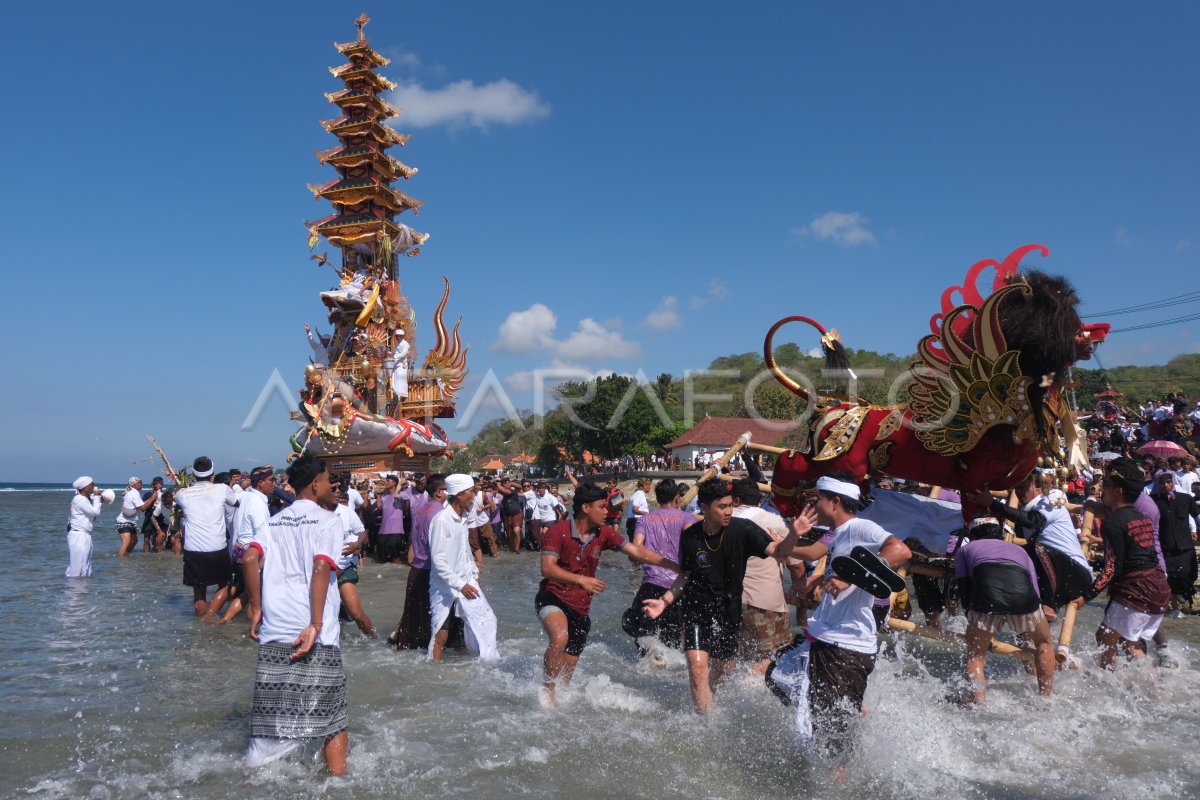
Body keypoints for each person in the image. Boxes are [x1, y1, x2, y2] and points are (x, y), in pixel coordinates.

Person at [765, 474, 910, 753]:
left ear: (835, 501)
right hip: (827, 637)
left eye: (818, 498)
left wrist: (850, 578)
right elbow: (784, 553)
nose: (814, 505)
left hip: (846, 647)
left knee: (833, 742)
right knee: (778, 676)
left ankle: (848, 724)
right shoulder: (839, 534)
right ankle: (850, 711)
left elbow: (900, 551)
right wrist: (796, 533)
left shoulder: (860, 527)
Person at [644, 479, 816, 714]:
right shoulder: (691, 536)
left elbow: (778, 552)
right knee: (697, 669)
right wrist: (664, 602)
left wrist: (793, 534)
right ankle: (704, 726)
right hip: (697, 608)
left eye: (729, 505)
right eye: (721, 507)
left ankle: (711, 708)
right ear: (704, 507)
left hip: (729, 611)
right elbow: (685, 576)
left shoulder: (743, 529)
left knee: (721, 671)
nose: (728, 511)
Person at [242, 453, 348, 774]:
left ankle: (248, 785)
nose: (332, 485)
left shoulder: (273, 523)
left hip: (275, 633)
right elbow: (320, 565)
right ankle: (339, 785)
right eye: (328, 478)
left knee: (268, 730)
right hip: (314, 635)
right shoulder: (329, 520)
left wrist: (256, 607)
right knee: (333, 717)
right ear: (315, 483)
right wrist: (316, 623)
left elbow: (248, 559)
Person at [537, 482, 681, 705]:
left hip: (581, 606)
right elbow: (547, 568)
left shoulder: (602, 533)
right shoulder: (558, 531)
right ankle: (547, 691)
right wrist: (580, 579)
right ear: (586, 508)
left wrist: (672, 565)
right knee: (559, 637)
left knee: (570, 664)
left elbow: (636, 551)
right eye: (602, 507)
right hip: (552, 596)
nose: (608, 512)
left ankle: (562, 694)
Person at [1081, 458, 1173, 669]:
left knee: (1113, 640)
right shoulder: (1138, 516)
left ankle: (1119, 681)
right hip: (1157, 585)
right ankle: (1144, 684)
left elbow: (1112, 567)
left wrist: (1086, 595)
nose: (1101, 490)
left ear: (1118, 491)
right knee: (1120, 639)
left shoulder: (1112, 523)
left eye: (1106, 486)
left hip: (1138, 588)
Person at [954, 517, 1055, 705]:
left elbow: (964, 586)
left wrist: (972, 618)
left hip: (987, 597)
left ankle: (979, 705)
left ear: (972, 535)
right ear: (1000, 534)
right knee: (1044, 643)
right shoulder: (1020, 550)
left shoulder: (965, 550)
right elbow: (1034, 587)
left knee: (975, 655)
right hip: (1024, 597)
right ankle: (1046, 700)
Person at [970, 474, 1093, 624]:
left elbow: (1031, 521)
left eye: (1023, 487)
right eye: (1017, 488)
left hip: (1075, 575)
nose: (1019, 492)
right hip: (1053, 578)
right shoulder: (1025, 512)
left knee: (1034, 547)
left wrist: (992, 503)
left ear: (1037, 486)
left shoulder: (1048, 502)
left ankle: (1047, 603)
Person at [730, 479, 799, 675]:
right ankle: (747, 688)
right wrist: (800, 590)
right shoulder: (773, 521)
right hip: (765, 601)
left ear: (734, 500)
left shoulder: (721, 520)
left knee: (737, 655)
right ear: (759, 501)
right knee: (769, 656)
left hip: (730, 599)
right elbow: (796, 565)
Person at [428, 474, 499, 662]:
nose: (474, 497)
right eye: (472, 492)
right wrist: (460, 585)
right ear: (459, 494)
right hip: (445, 586)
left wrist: (473, 573)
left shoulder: (463, 518)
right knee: (440, 634)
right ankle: (434, 674)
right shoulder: (442, 520)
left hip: (466, 580)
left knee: (486, 620)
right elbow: (438, 560)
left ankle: (486, 664)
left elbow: (464, 550)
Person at [621, 479, 694, 654]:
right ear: (677, 498)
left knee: (643, 636)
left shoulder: (645, 519)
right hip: (678, 587)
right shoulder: (688, 519)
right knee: (673, 642)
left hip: (650, 585)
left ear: (657, 497)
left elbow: (636, 551)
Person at [173, 456, 238, 619]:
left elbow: (176, 499)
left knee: (199, 589)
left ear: (193, 475)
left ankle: (203, 624)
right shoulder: (222, 489)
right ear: (213, 474)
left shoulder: (182, 494)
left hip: (193, 548)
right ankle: (207, 618)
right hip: (217, 546)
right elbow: (236, 502)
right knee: (225, 584)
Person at [389, 474, 447, 650]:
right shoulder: (442, 514)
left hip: (416, 569)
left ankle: (403, 641)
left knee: (413, 615)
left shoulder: (419, 510)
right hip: (433, 571)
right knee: (439, 618)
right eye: (446, 490)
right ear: (438, 492)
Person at [221, 466, 274, 624]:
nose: (274, 484)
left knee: (247, 593)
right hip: (251, 553)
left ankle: (224, 620)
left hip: (239, 549)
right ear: (261, 483)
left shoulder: (247, 495)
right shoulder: (258, 503)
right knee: (256, 597)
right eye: (271, 480)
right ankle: (253, 630)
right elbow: (261, 534)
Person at [329, 473, 375, 638]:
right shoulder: (314, 511)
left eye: (339, 489)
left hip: (344, 567)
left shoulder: (346, 512)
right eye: (332, 489)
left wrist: (358, 544)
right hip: (321, 569)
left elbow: (362, 532)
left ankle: (374, 643)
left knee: (356, 614)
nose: (337, 492)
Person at [1150, 469, 1200, 614]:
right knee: (1170, 577)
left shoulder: (1185, 498)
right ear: (1158, 484)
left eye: (1168, 482)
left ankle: (1187, 605)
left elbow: (1197, 515)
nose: (1166, 485)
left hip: (1185, 545)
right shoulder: (1153, 501)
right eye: (1162, 482)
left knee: (1191, 575)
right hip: (1165, 546)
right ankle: (1174, 608)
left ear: (1173, 482)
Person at [67, 476, 104, 577]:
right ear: (85, 487)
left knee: (85, 565)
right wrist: (96, 498)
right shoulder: (79, 499)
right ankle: (74, 589)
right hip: (79, 535)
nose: (93, 486)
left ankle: (82, 590)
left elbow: (91, 515)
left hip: (84, 534)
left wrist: (97, 500)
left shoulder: (84, 499)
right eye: (91, 484)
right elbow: (94, 512)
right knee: (78, 566)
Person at [116, 476, 156, 557]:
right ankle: (120, 559)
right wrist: (152, 498)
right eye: (139, 482)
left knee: (134, 540)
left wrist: (153, 497)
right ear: (134, 484)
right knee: (126, 541)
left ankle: (123, 554)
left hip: (131, 522)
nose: (141, 484)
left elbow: (142, 504)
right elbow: (143, 508)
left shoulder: (133, 492)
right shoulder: (134, 493)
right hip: (124, 521)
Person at [377, 474, 406, 564]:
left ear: (394, 483)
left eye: (388, 480)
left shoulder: (401, 495)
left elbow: (406, 509)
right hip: (383, 530)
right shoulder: (384, 495)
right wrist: (378, 495)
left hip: (396, 530)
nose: (386, 482)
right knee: (383, 559)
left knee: (396, 557)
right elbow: (379, 508)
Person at [141, 477, 165, 552]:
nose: (159, 485)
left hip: (160, 519)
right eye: (157, 483)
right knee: (146, 539)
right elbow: (143, 506)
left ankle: (157, 557)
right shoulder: (147, 495)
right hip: (148, 518)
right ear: (153, 484)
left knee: (159, 539)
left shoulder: (164, 494)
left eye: (160, 484)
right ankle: (146, 557)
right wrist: (153, 498)